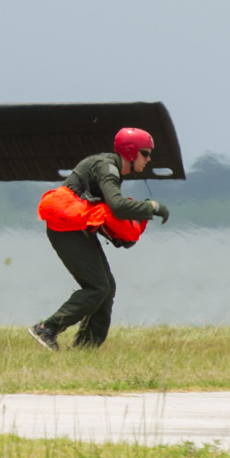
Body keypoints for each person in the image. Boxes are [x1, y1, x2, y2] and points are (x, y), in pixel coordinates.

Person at [28, 127, 169, 350]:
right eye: (145, 153)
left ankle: (85, 350)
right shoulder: (108, 169)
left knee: (106, 287)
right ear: (131, 152)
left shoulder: (110, 168)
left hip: (76, 230)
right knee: (98, 287)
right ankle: (47, 328)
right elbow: (118, 206)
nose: (149, 159)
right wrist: (151, 207)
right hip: (66, 231)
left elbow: (100, 212)